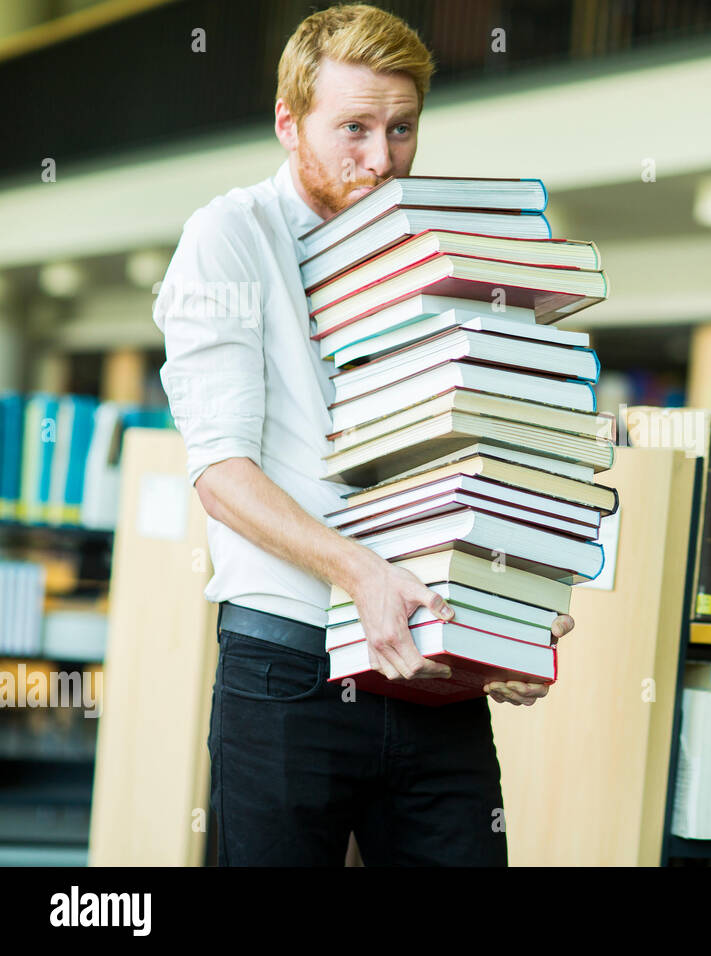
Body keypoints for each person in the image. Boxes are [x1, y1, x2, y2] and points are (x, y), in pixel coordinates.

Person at [152, 2, 573, 867]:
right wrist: (362, 574)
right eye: (353, 129)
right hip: (287, 675)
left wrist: (508, 616)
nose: (382, 160)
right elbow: (222, 474)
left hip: (430, 677)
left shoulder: (434, 249)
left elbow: (465, 457)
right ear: (288, 122)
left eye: (402, 129)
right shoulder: (229, 239)